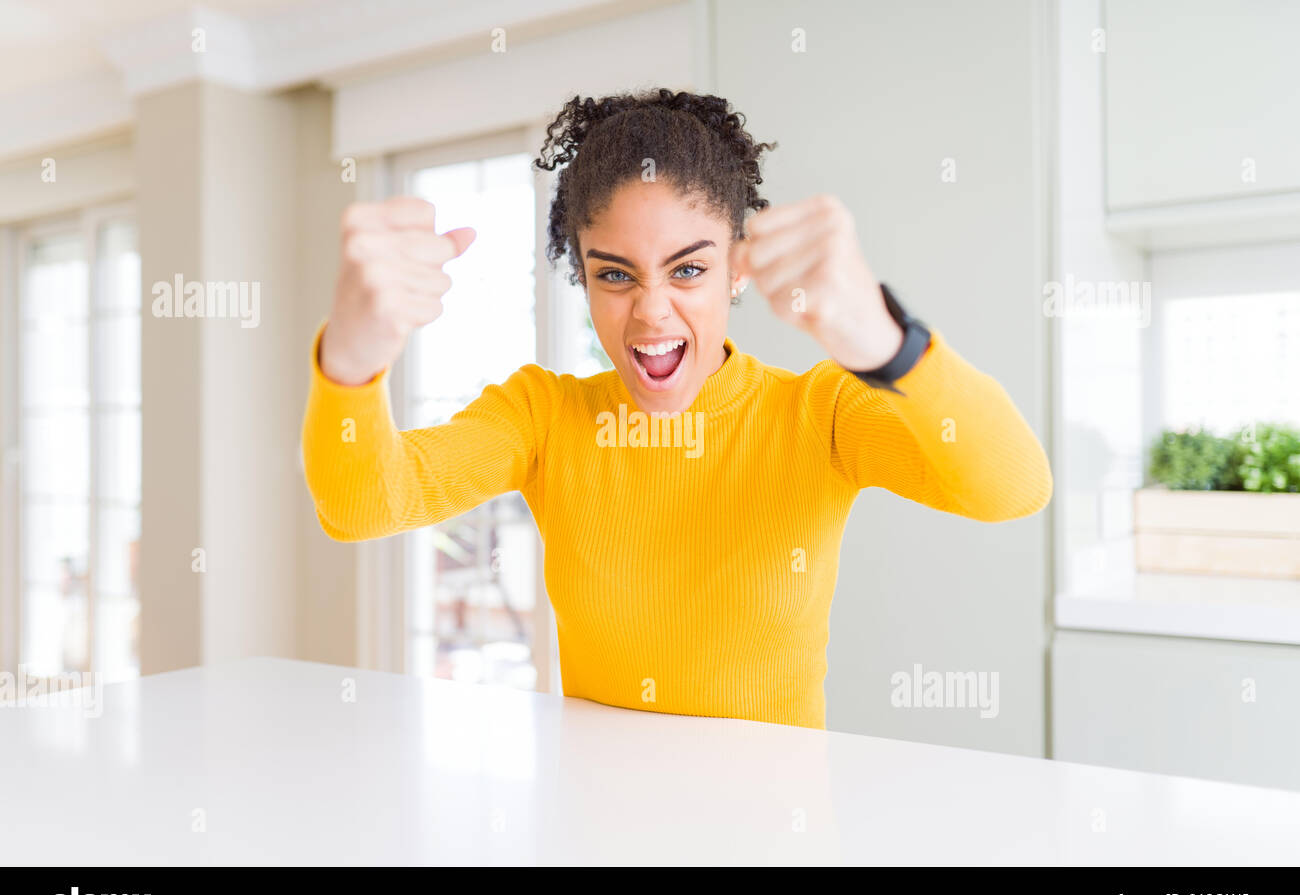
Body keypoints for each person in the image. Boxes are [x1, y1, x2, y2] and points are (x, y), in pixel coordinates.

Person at [301, 88, 1052, 730]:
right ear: (583, 279)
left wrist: (888, 342)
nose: (652, 313)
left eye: (687, 268)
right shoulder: (545, 417)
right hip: (599, 828)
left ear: (737, 268)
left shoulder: (815, 413)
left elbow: (1013, 488)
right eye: (616, 275)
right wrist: (353, 358)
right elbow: (362, 503)